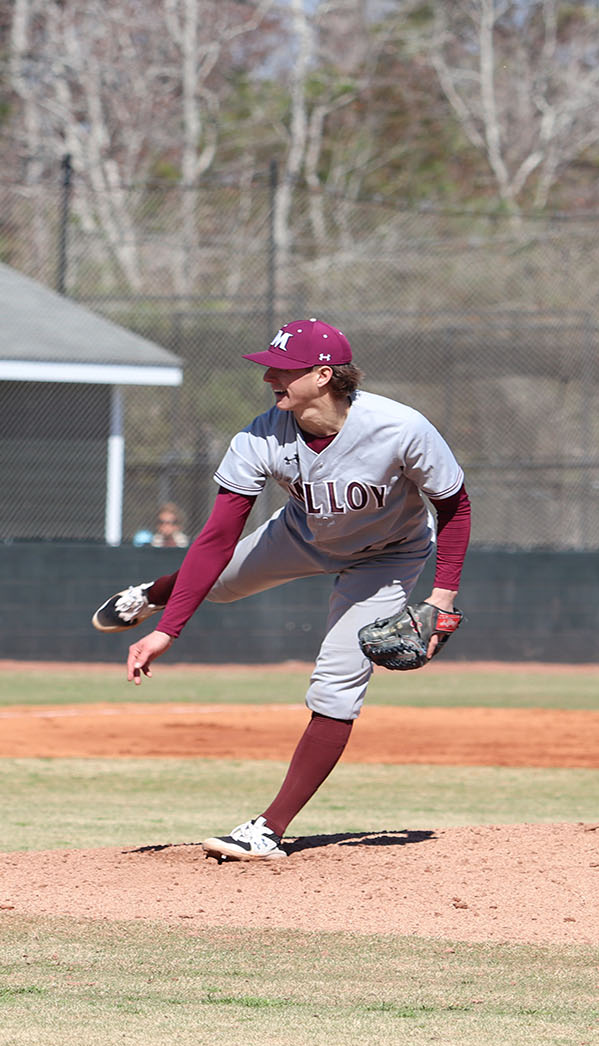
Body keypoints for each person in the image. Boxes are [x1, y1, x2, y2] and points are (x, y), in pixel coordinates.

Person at [91, 318, 472, 860]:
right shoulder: (260, 434)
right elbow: (217, 537)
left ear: (322, 376)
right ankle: (153, 594)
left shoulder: (400, 427)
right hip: (301, 535)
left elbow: (454, 507)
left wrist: (442, 598)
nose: (270, 376)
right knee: (214, 586)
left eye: (283, 370)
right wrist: (168, 628)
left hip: (386, 559)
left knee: (338, 683)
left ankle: (269, 829)